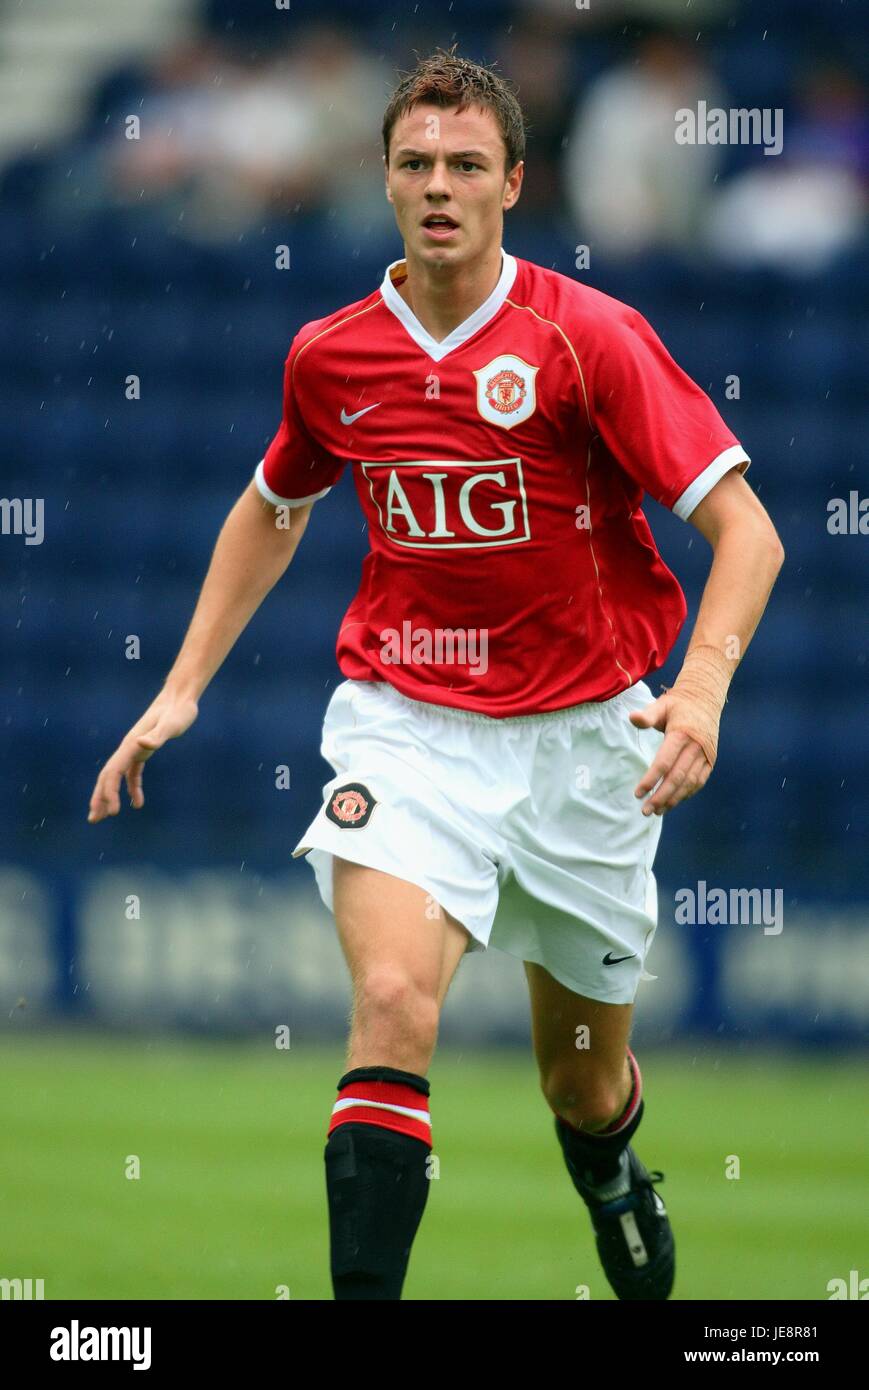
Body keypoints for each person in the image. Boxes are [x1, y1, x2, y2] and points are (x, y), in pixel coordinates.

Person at [88, 48, 784, 1301]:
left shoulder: (588, 340)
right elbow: (273, 504)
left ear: (514, 181)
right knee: (396, 999)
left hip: (588, 746)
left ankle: (611, 1169)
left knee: (576, 1078)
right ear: (386, 179)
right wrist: (180, 685)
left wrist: (705, 688)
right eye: (415, 163)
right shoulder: (333, 355)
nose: (438, 185)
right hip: (407, 724)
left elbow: (749, 532)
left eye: (467, 164)